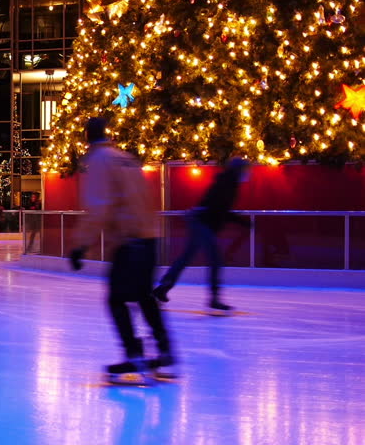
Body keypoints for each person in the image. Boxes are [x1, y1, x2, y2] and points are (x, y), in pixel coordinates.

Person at [68, 115, 174, 382]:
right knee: (144, 296)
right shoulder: (126, 157)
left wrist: (82, 245)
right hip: (148, 238)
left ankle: (133, 355)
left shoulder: (99, 162)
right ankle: (164, 351)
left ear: (87, 137)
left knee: (116, 299)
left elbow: (99, 206)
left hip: (128, 241)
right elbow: (147, 199)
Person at [152, 158, 251, 311]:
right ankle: (214, 298)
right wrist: (241, 221)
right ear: (238, 170)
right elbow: (218, 208)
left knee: (187, 257)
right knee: (215, 258)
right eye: (245, 170)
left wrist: (238, 220)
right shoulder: (227, 184)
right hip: (201, 222)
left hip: (201, 222)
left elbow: (220, 209)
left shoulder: (230, 184)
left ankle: (163, 288)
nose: (247, 173)